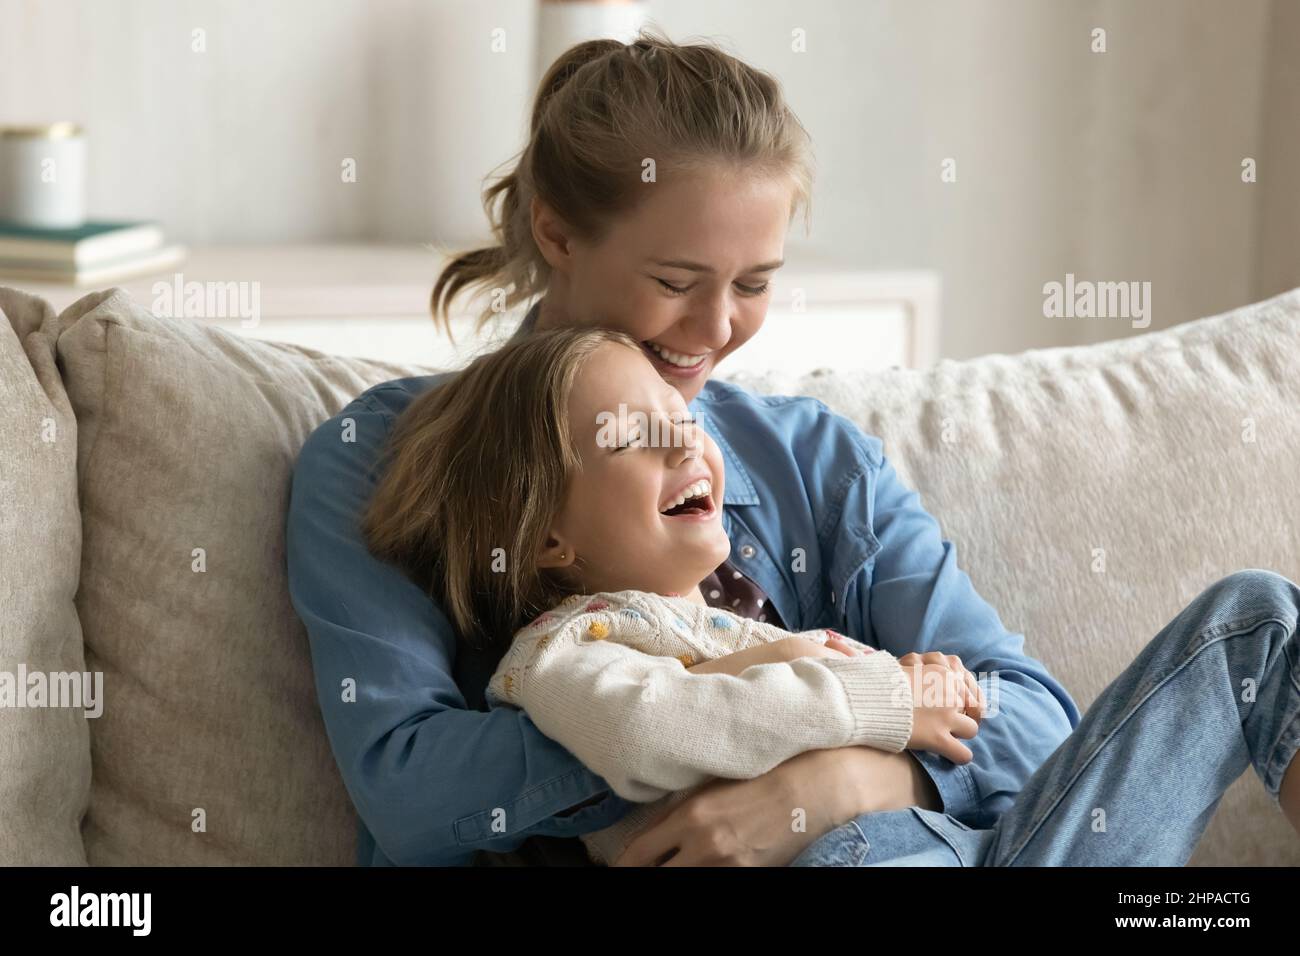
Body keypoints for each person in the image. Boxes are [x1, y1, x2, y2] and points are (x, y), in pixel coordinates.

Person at [285, 30, 1300, 866]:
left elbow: (1031, 719)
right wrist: (775, 732)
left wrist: (835, 778)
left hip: (976, 851)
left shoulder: (815, 460)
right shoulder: (388, 453)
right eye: (677, 279)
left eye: (756, 282)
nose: (717, 327)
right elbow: (411, 786)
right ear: (555, 231)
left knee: (1257, 624)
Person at [356, 324, 990, 866]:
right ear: (548, 538)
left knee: (1094, 742)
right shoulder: (568, 643)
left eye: (683, 418)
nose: (685, 440)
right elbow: (645, 731)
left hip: (923, 840)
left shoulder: (733, 624)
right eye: (631, 437)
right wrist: (882, 697)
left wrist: (919, 682)